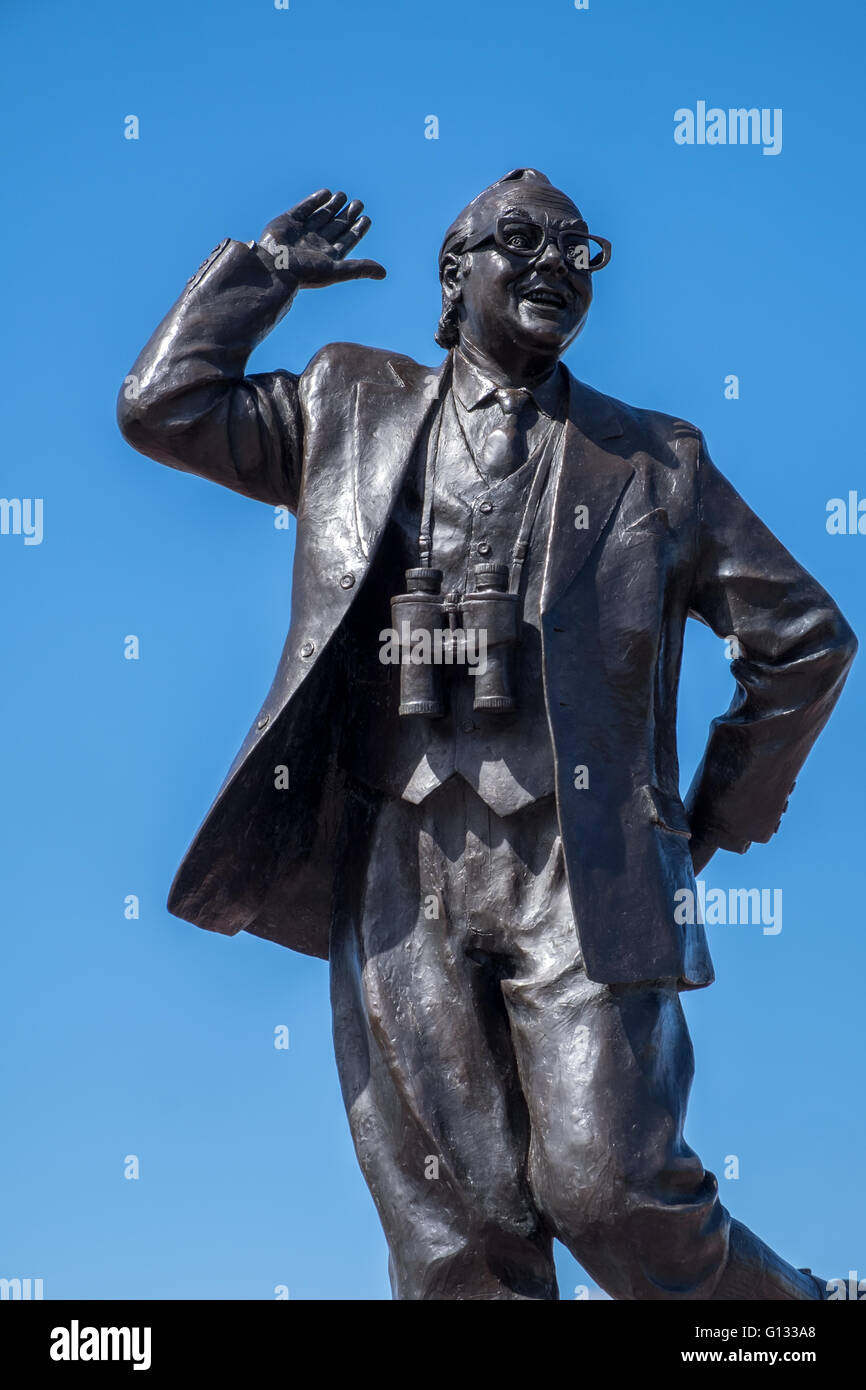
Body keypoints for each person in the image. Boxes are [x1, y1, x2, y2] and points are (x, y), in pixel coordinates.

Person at [117, 168, 856, 1299]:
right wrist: (260, 279)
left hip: (581, 863)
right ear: (454, 272)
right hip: (395, 860)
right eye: (521, 239)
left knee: (607, 1186)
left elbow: (803, 639)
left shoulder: (656, 461)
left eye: (580, 248)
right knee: (456, 1235)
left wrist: (702, 825)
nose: (557, 262)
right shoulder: (345, 405)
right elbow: (160, 408)